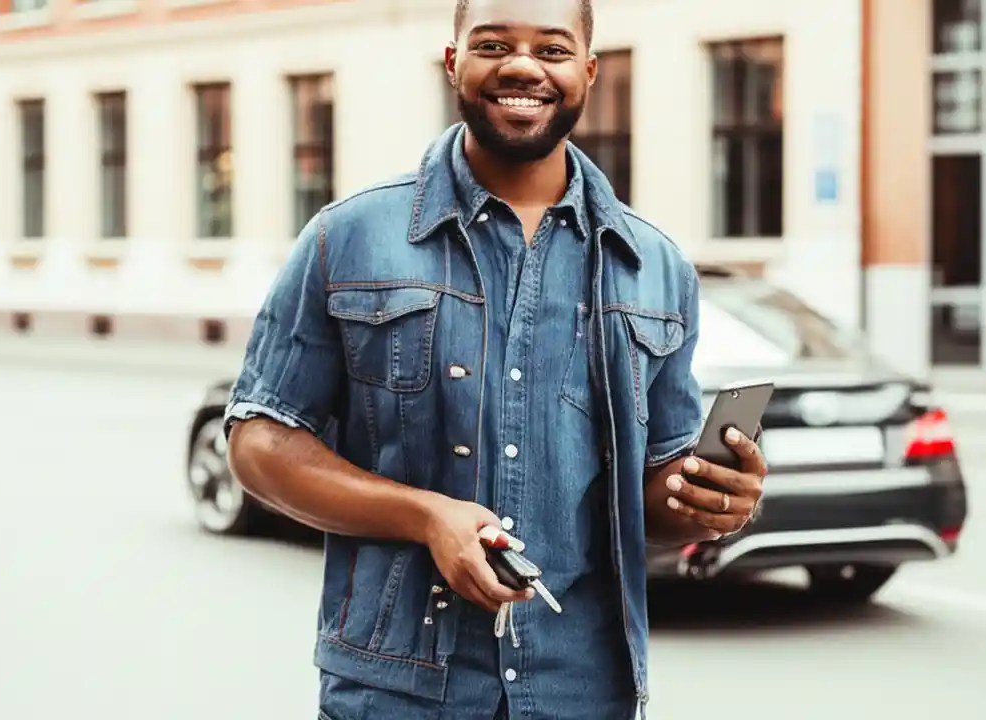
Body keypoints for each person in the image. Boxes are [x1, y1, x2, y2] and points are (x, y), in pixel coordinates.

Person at [223, 0, 768, 717]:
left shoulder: (656, 268)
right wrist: (425, 516)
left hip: (584, 689)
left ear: (589, 72)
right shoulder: (347, 238)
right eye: (492, 44)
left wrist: (710, 502)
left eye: (551, 49)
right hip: (398, 692)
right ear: (454, 62)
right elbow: (258, 442)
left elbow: (647, 497)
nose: (521, 66)